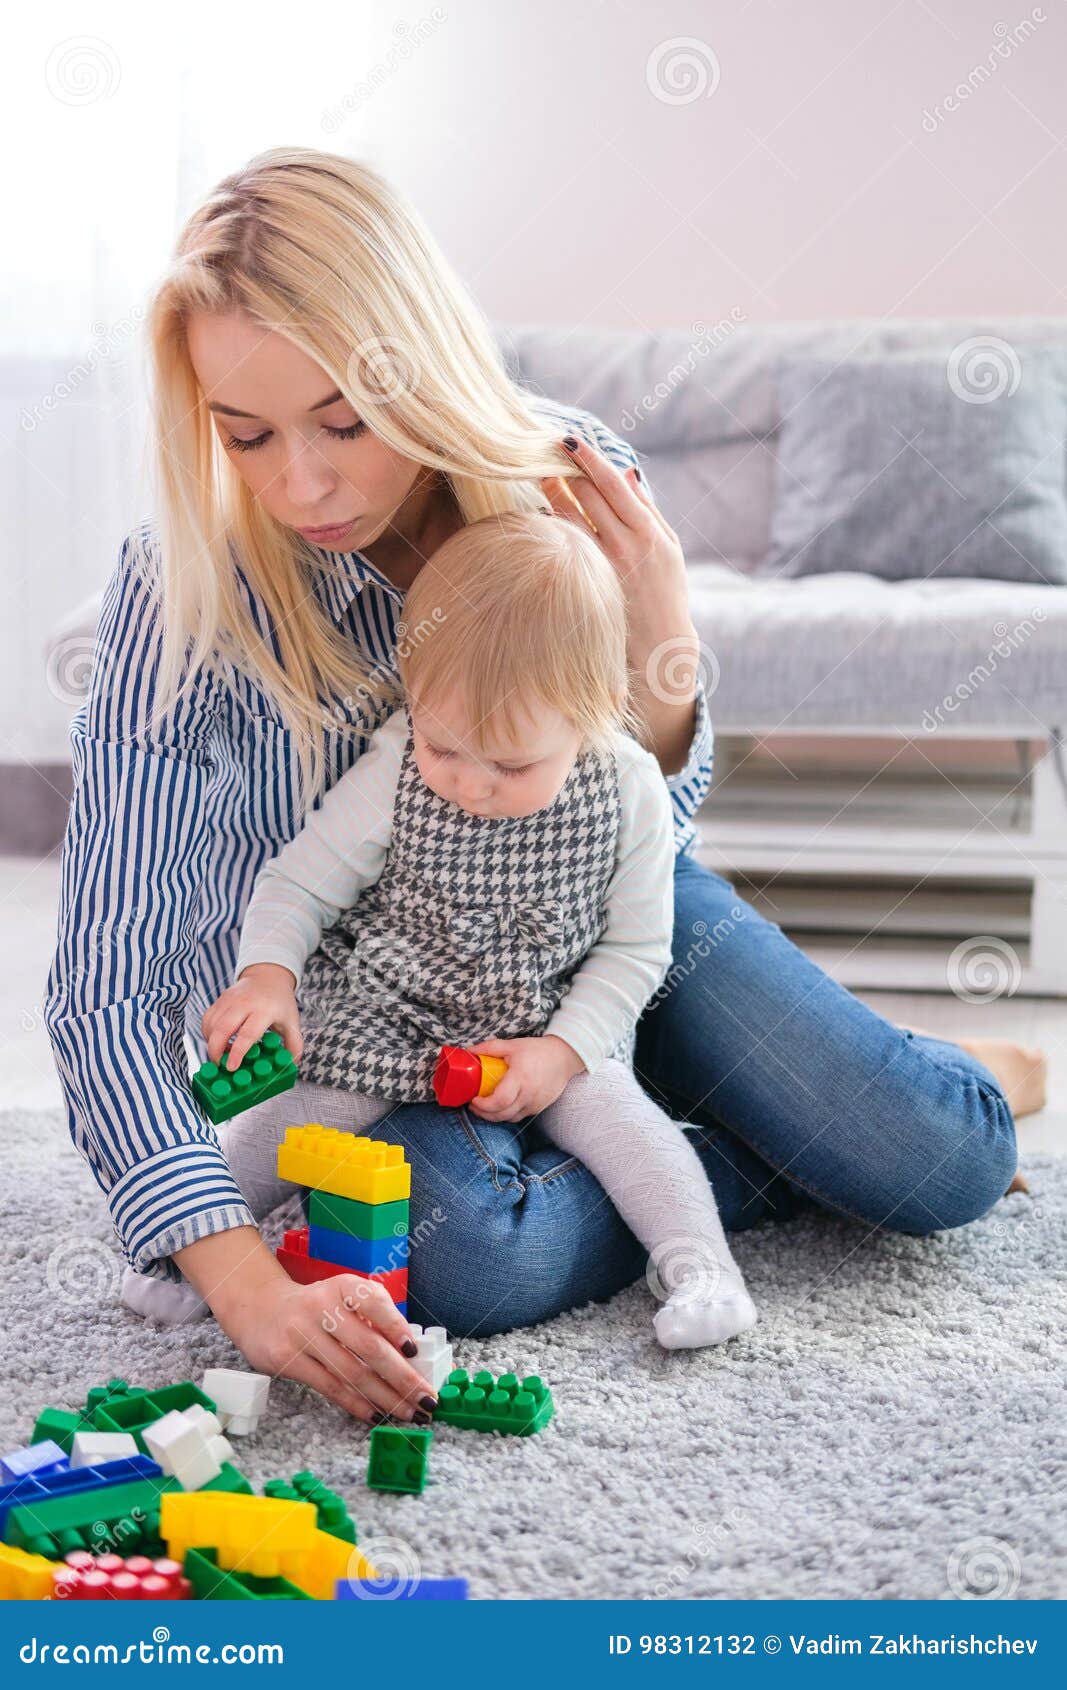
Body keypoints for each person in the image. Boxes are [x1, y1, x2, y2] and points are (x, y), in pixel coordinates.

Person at [45, 147, 1030, 1425]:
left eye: (344, 420)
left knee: (933, 1163)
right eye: (247, 435)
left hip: (604, 946)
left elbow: (639, 844)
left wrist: (663, 658)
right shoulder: (178, 586)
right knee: (452, 1243)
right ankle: (734, 1148)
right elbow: (106, 978)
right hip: (384, 1018)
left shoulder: (565, 487)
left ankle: (944, 1080)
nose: (303, 483)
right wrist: (238, 1282)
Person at [201, 511, 757, 1351]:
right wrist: (268, 975)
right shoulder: (395, 765)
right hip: (391, 1013)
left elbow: (635, 951)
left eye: (511, 764)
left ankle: (703, 1272)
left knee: (627, 1129)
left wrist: (563, 1052)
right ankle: (189, 1250)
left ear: (592, 712)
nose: (470, 784)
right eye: (444, 746)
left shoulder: (628, 785)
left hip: (542, 1026)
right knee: (293, 1116)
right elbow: (298, 883)